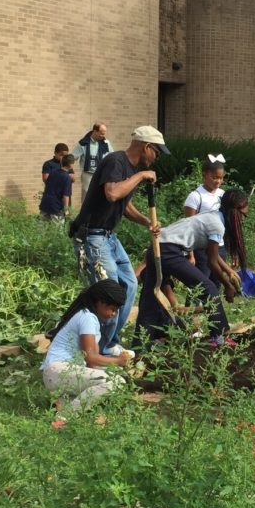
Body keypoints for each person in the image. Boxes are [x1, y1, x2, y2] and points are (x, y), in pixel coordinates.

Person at [69, 125, 169, 356]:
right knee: (109, 292)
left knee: (130, 284)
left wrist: (147, 222)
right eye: (157, 152)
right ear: (146, 147)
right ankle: (99, 350)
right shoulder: (116, 161)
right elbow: (113, 193)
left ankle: (109, 341)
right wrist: (141, 176)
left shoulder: (129, 168)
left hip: (108, 237)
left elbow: (123, 204)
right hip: (92, 237)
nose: (157, 158)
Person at [134, 212, 239, 347]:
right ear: (234, 210)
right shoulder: (217, 225)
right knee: (208, 288)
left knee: (150, 302)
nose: (242, 219)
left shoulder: (211, 217)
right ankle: (219, 337)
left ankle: (140, 347)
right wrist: (227, 285)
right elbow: (212, 262)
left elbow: (212, 254)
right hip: (169, 250)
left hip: (156, 246)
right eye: (242, 214)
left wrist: (229, 271)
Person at [41, 280, 132, 420]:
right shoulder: (87, 318)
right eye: (112, 308)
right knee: (117, 382)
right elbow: (90, 357)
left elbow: (91, 365)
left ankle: (62, 403)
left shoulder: (90, 317)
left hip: (61, 373)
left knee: (115, 377)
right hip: (57, 371)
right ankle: (63, 418)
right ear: (100, 302)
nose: (114, 313)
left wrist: (113, 369)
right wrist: (118, 361)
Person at [184, 154, 227, 279]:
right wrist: (191, 255)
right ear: (204, 175)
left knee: (218, 281)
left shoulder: (223, 195)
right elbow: (189, 227)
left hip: (220, 246)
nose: (218, 181)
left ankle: (215, 299)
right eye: (214, 177)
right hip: (202, 249)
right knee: (201, 282)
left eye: (220, 178)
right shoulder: (196, 196)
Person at [72, 122, 113, 201]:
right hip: (88, 175)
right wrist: (70, 171)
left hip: (102, 174)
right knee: (87, 197)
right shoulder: (83, 143)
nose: (103, 136)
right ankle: (85, 213)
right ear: (95, 131)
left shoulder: (106, 143)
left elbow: (112, 157)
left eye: (104, 134)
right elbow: (73, 157)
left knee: (101, 197)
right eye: (101, 133)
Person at [39, 154, 75, 223]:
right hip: (56, 207)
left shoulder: (53, 172)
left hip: (45, 203)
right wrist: (66, 210)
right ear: (71, 164)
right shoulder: (67, 178)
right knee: (58, 231)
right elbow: (66, 196)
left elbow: (47, 185)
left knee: (42, 229)